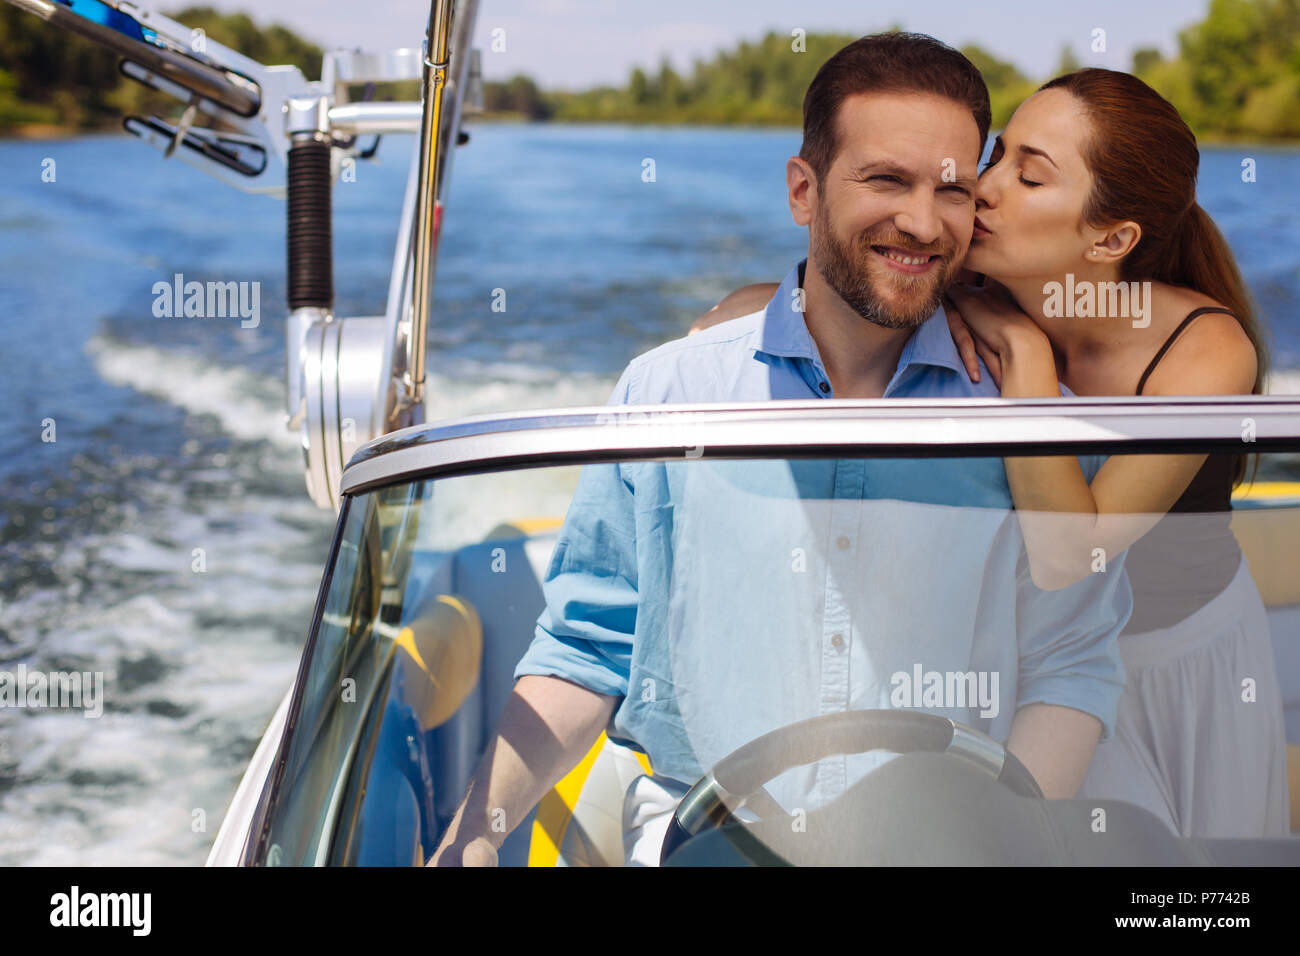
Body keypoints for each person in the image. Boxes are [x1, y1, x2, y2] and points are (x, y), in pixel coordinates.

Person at [429, 33, 1132, 868]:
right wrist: (473, 837)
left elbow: (1070, 665)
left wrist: (1002, 848)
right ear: (804, 190)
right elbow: (589, 644)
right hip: (704, 838)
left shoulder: (1033, 423)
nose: (919, 220)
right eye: (884, 180)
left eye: (948, 189)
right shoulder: (670, 395)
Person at [695, 68, 1287, 839]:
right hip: (1042, 668)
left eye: (1028, 175)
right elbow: (805, 295)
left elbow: (1071, 555)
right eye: (998, 154)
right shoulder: (966, 273)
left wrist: (1024, 356)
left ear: (1111, 240)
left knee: (1192, 895)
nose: (984, 187)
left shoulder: (1204, 348)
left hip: (1177, 662)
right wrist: (713, 335)